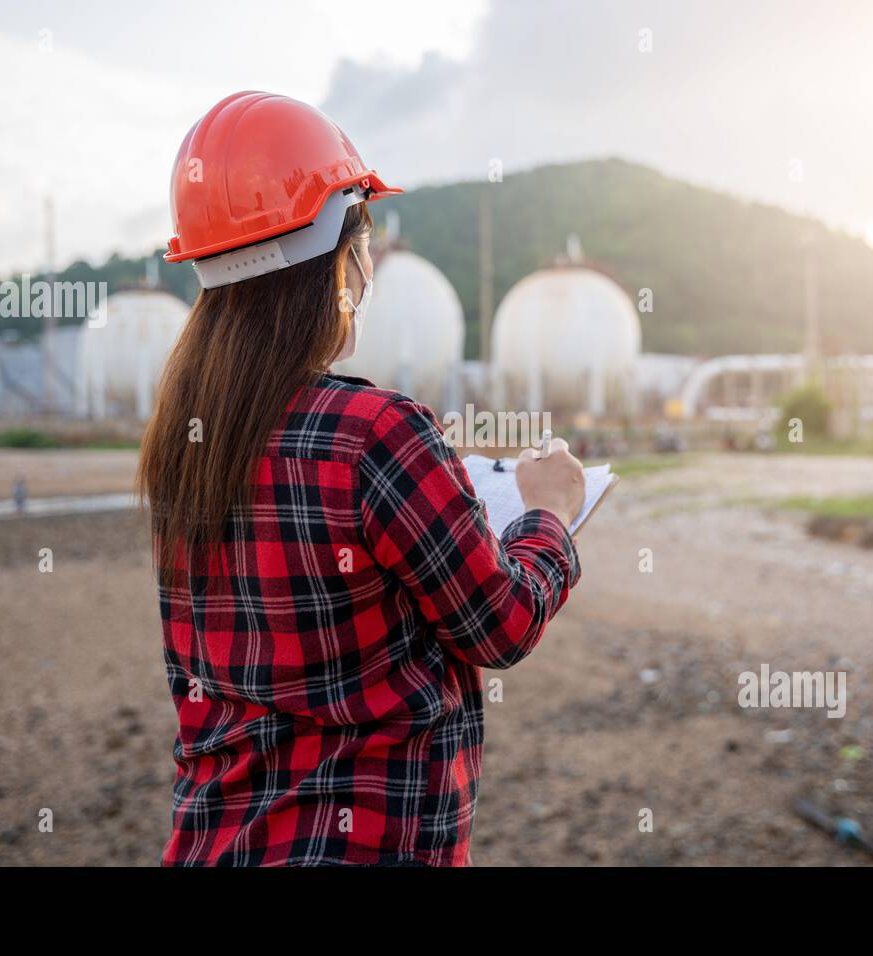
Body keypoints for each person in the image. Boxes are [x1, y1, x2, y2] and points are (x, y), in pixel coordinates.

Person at [137, 92, 586, 866]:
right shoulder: (376, 433)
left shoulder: (186, 440)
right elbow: (499, 625)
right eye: (362, 241)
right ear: (337, 258)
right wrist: (545, 517)